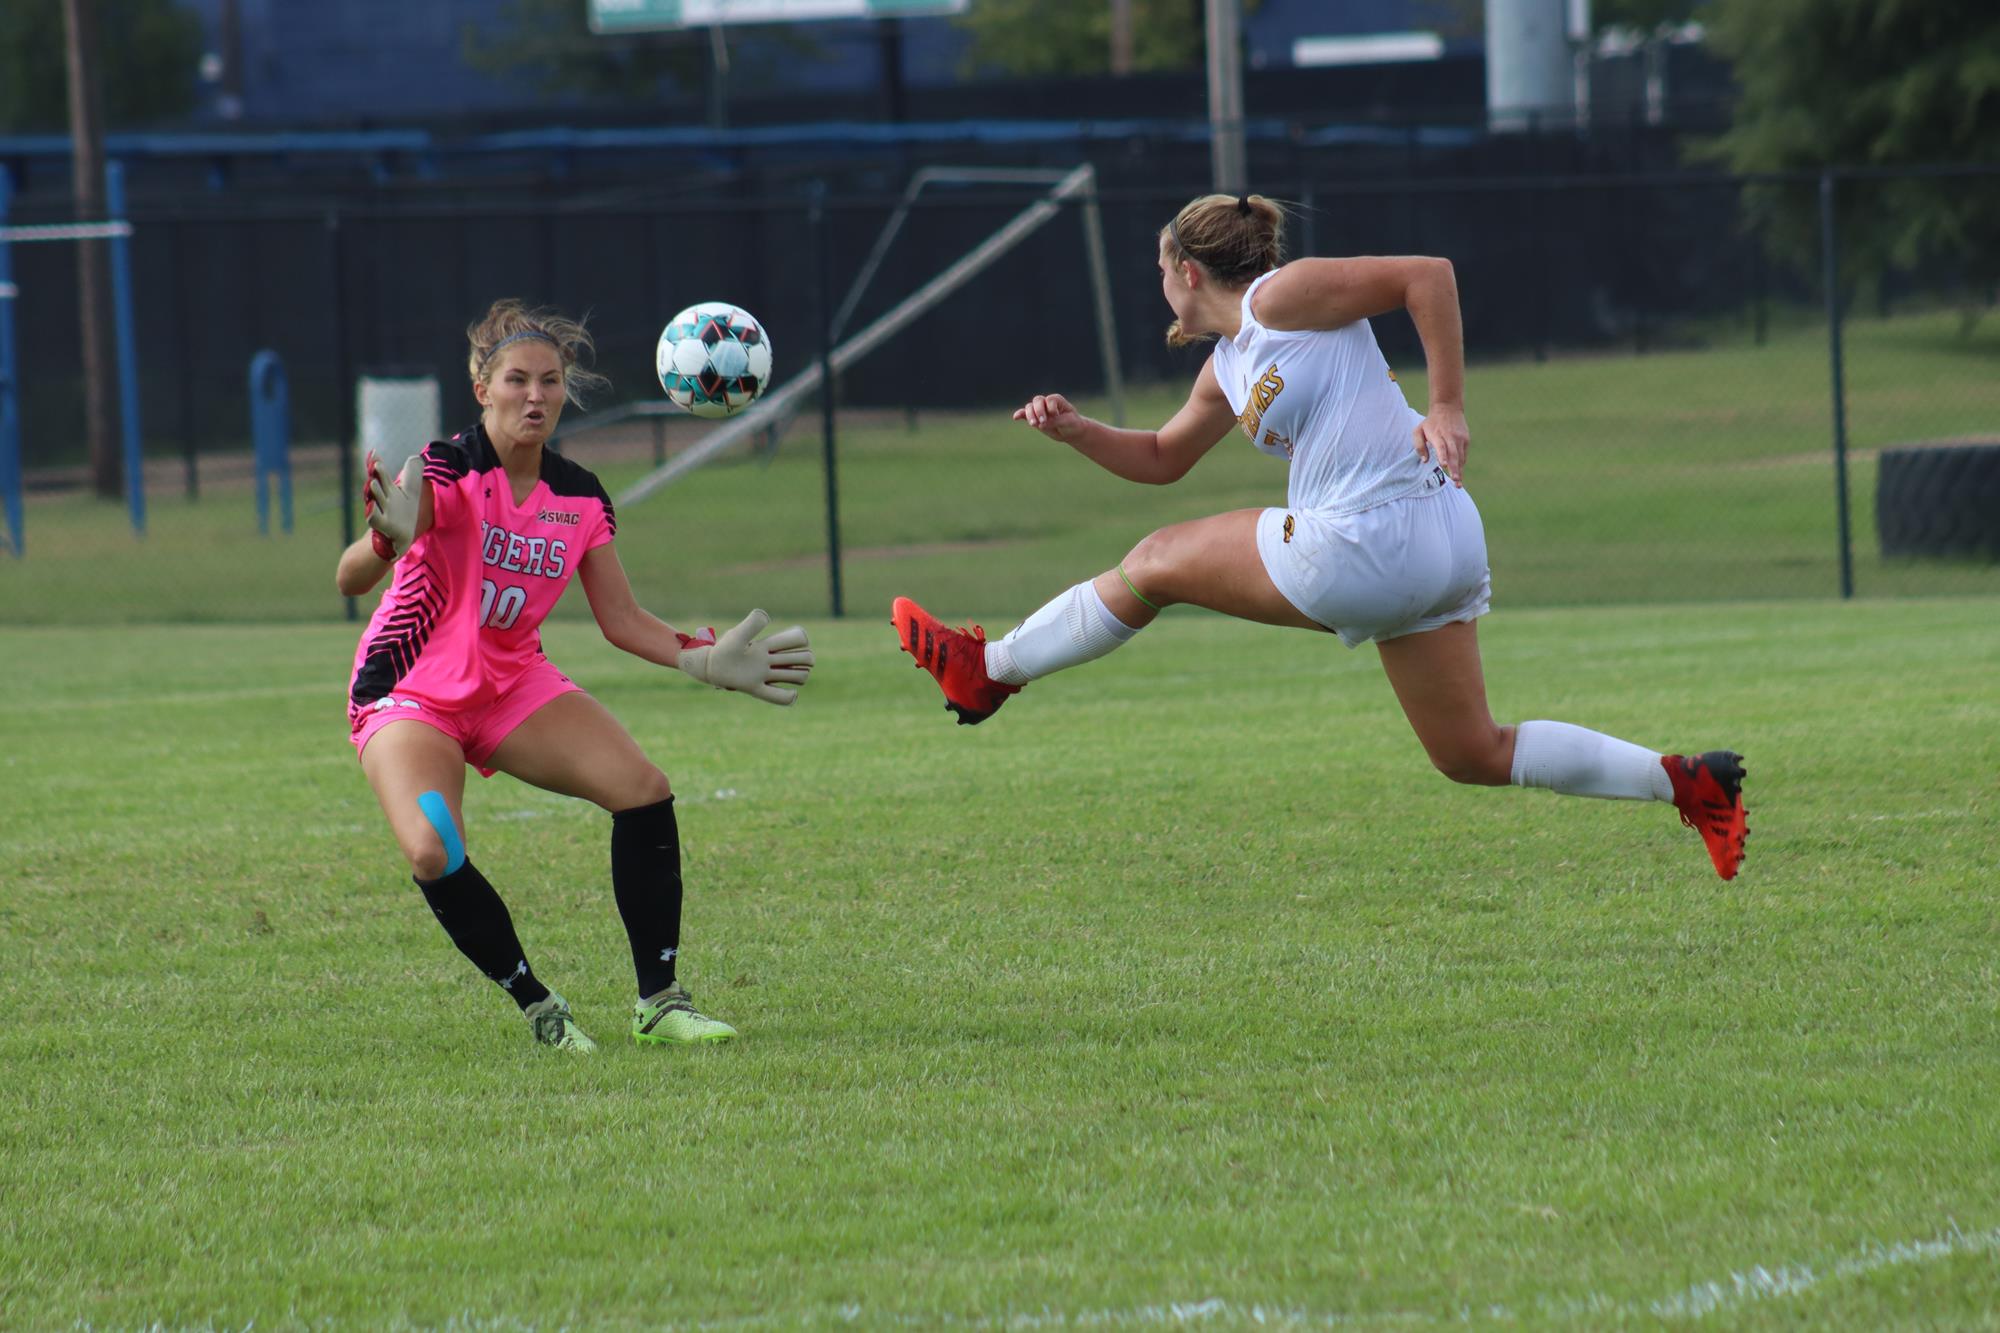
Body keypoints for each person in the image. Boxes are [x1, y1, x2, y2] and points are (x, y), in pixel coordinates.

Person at [891, 194, 1747, 880]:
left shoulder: (1277, 298)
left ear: (1186, 270)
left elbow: (1428, 275)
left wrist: (1446, 403)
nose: (1159, 285)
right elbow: (1159, 456)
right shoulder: (1226, 365)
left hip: (1371, 536)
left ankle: (986, 668)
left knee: (1155, 561)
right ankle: (1686, 781)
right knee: (1471, 753)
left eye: (1159, 270)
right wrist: (1077, 430)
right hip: (1435, 538)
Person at [337, 299, 815, 1052]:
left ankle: (659, 1002)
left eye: (550, 381)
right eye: (518, 380)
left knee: (643, 788)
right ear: (482, 389)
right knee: (432, 847)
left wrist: (705, 656)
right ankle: (537, 1003)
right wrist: (384, 541)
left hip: (511, 685)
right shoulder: (442, 468)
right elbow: (348, 576)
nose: (536, 395)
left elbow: (622, 620)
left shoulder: (581, 496)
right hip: (410, 689)